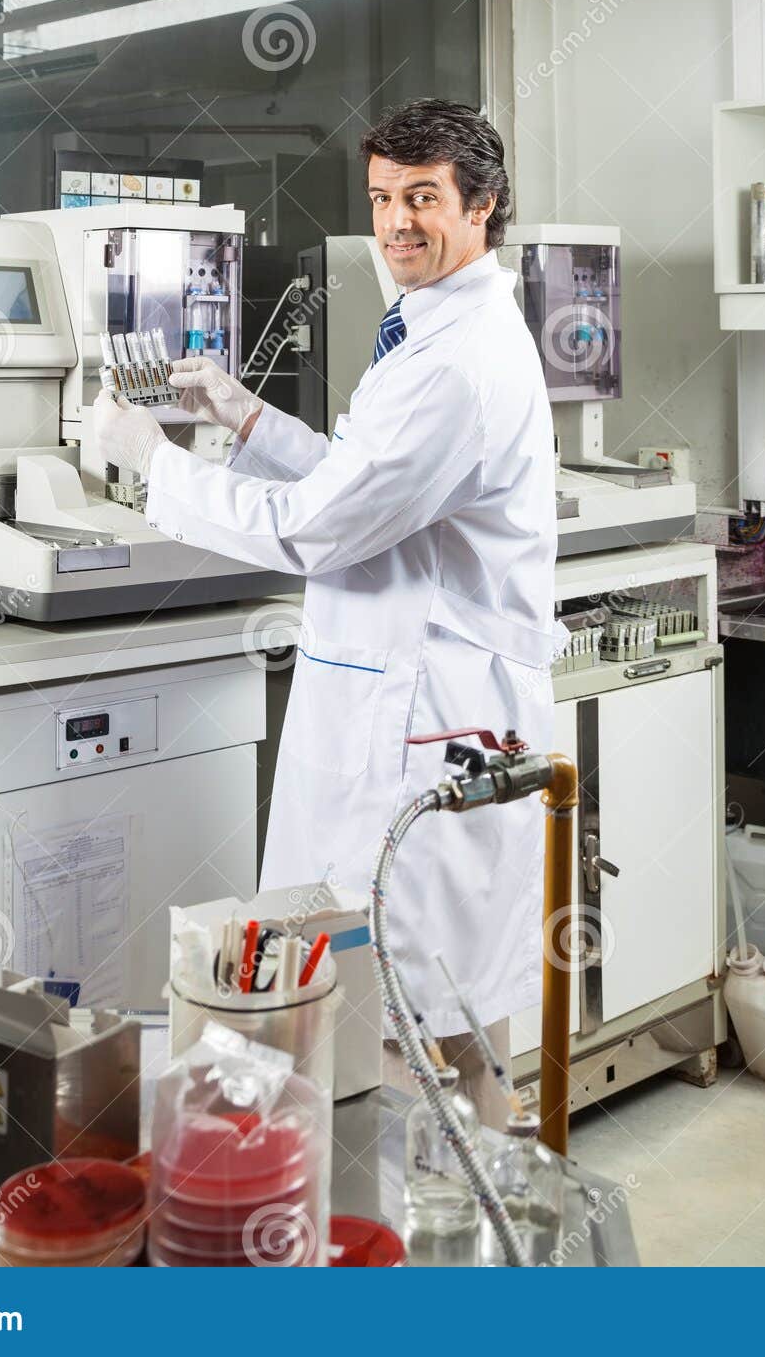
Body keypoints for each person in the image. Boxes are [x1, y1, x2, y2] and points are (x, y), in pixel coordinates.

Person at [93, 99, 557, 1125]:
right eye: (383, 198)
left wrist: (155, 465)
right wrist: (246, 416)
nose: (396, 223)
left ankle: (412, 1239)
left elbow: (317, 531)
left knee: (388, 1020)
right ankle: (473, 1215)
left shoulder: (454, 364)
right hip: (426, 702)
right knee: (452, 1016)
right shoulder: (443, 330)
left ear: (481, 205)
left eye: (422, 198)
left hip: (419, 722)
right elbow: (363, 480)